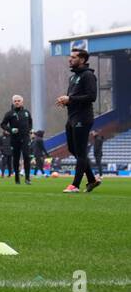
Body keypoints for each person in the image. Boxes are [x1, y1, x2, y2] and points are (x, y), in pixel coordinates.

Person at [57, 47, 99, 192]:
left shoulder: (88, 75)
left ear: (82, 60)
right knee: (72, 149)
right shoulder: (72, 77)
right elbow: (73, 98)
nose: (70, 59)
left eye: (73, 57)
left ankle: (75, 185)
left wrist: (70, 98)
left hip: (83, 117)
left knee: (81, 152)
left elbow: (92, 97)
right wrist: (66, 101)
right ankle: (92, 180)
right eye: (70, 56)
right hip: (72, 117)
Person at [0, 95, 34, 185]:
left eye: (19, 101)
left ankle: (27, 178)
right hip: (15, 139)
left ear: (22, 102)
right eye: (15, 101)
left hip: (25, 138)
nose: (17, 102)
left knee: (27, 157)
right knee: (16, 158)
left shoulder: (26, 112)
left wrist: (30, 130)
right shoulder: (9, 113)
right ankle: (17, 177)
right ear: (13, 102)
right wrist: (11, 130)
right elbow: (2, 124)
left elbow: (30, 122)